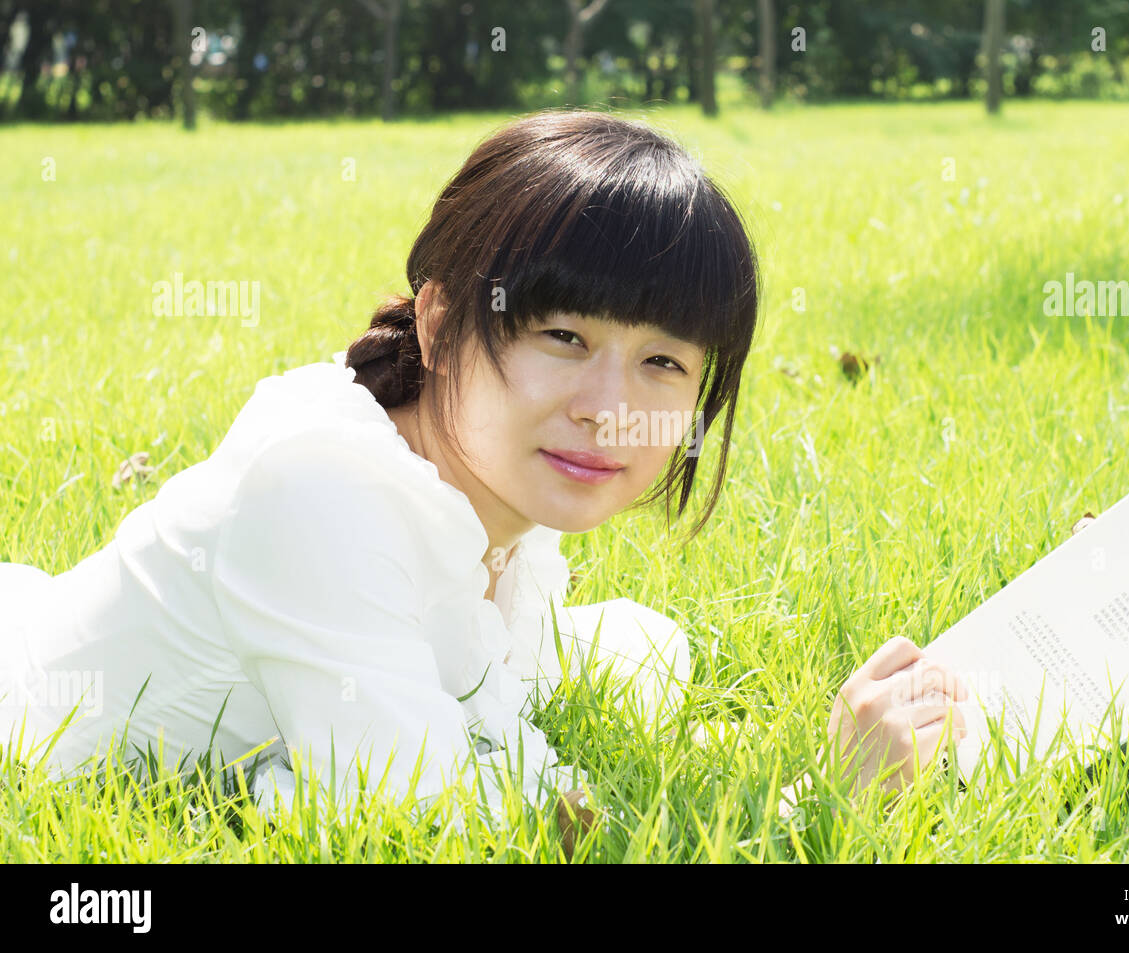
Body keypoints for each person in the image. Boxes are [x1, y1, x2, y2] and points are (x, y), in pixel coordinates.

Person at [0, 109, 967, 850]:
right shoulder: (315, 490)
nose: (608, 406)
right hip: (26, 710)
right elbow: (431, 827)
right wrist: (817, 806)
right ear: (436, 324)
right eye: (563, 336)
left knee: (647, 649)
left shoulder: (495, 490)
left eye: (663, 362)